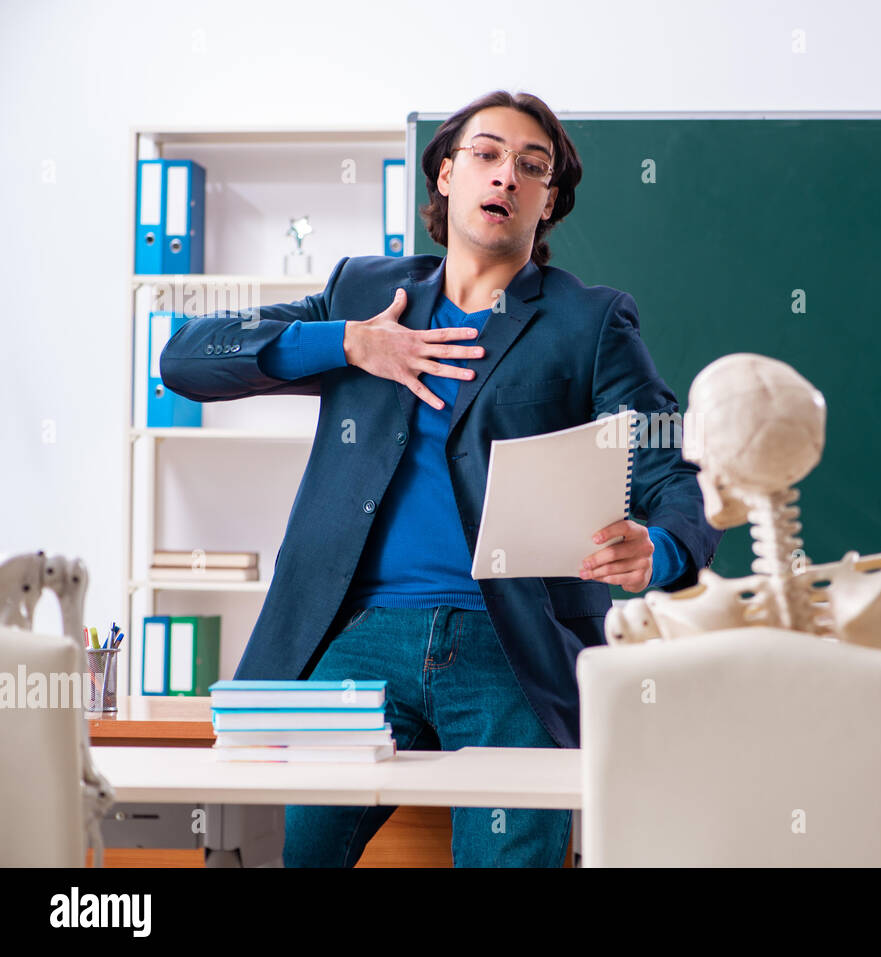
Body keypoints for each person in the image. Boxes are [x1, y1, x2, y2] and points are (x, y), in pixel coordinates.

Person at [160, 89, 722, 866]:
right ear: (447, 177)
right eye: (487, 155)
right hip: (358, 640)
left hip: (514, 647)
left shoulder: (589, 322)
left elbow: (674, 472)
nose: (508, 177)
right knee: (298, 854)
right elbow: (187, 356)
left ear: (548, 199)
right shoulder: (365, 294)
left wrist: (657, 548)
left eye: (533, 166)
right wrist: (352, 343)